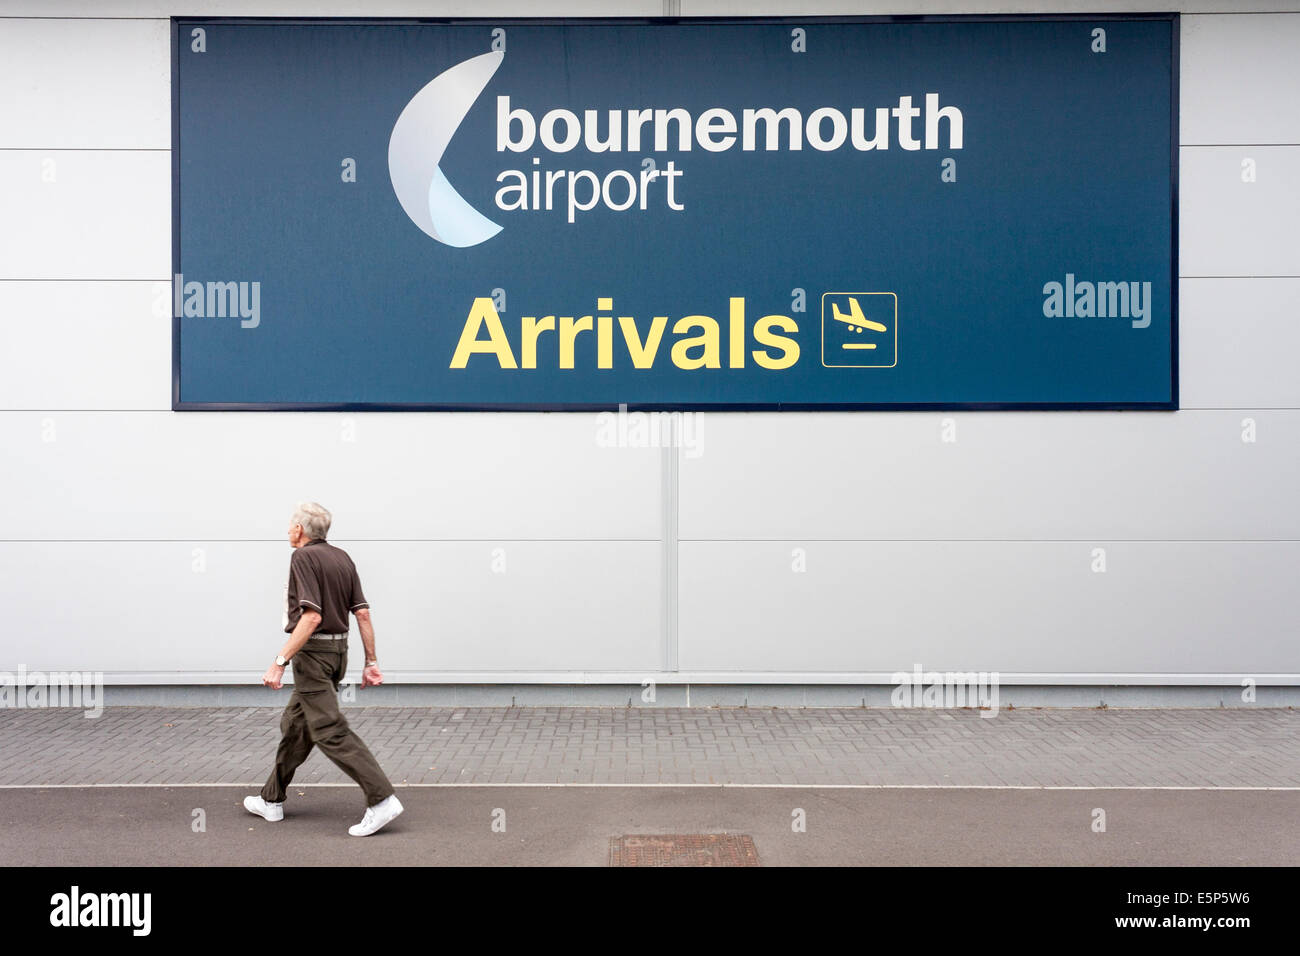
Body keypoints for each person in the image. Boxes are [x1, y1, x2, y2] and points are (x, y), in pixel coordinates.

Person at [243, 502, 404, 837]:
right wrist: (370, 662)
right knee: (296, 725)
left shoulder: (302, 557)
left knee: (329, 729)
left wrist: (279, 662)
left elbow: (311, 616)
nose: (287, 530)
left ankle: (381, 799)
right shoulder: (342, 557)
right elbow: (361, 613)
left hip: (313, 654)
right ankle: (271, 800)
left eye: (290, 525)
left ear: (300, 529)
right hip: (338, 651)